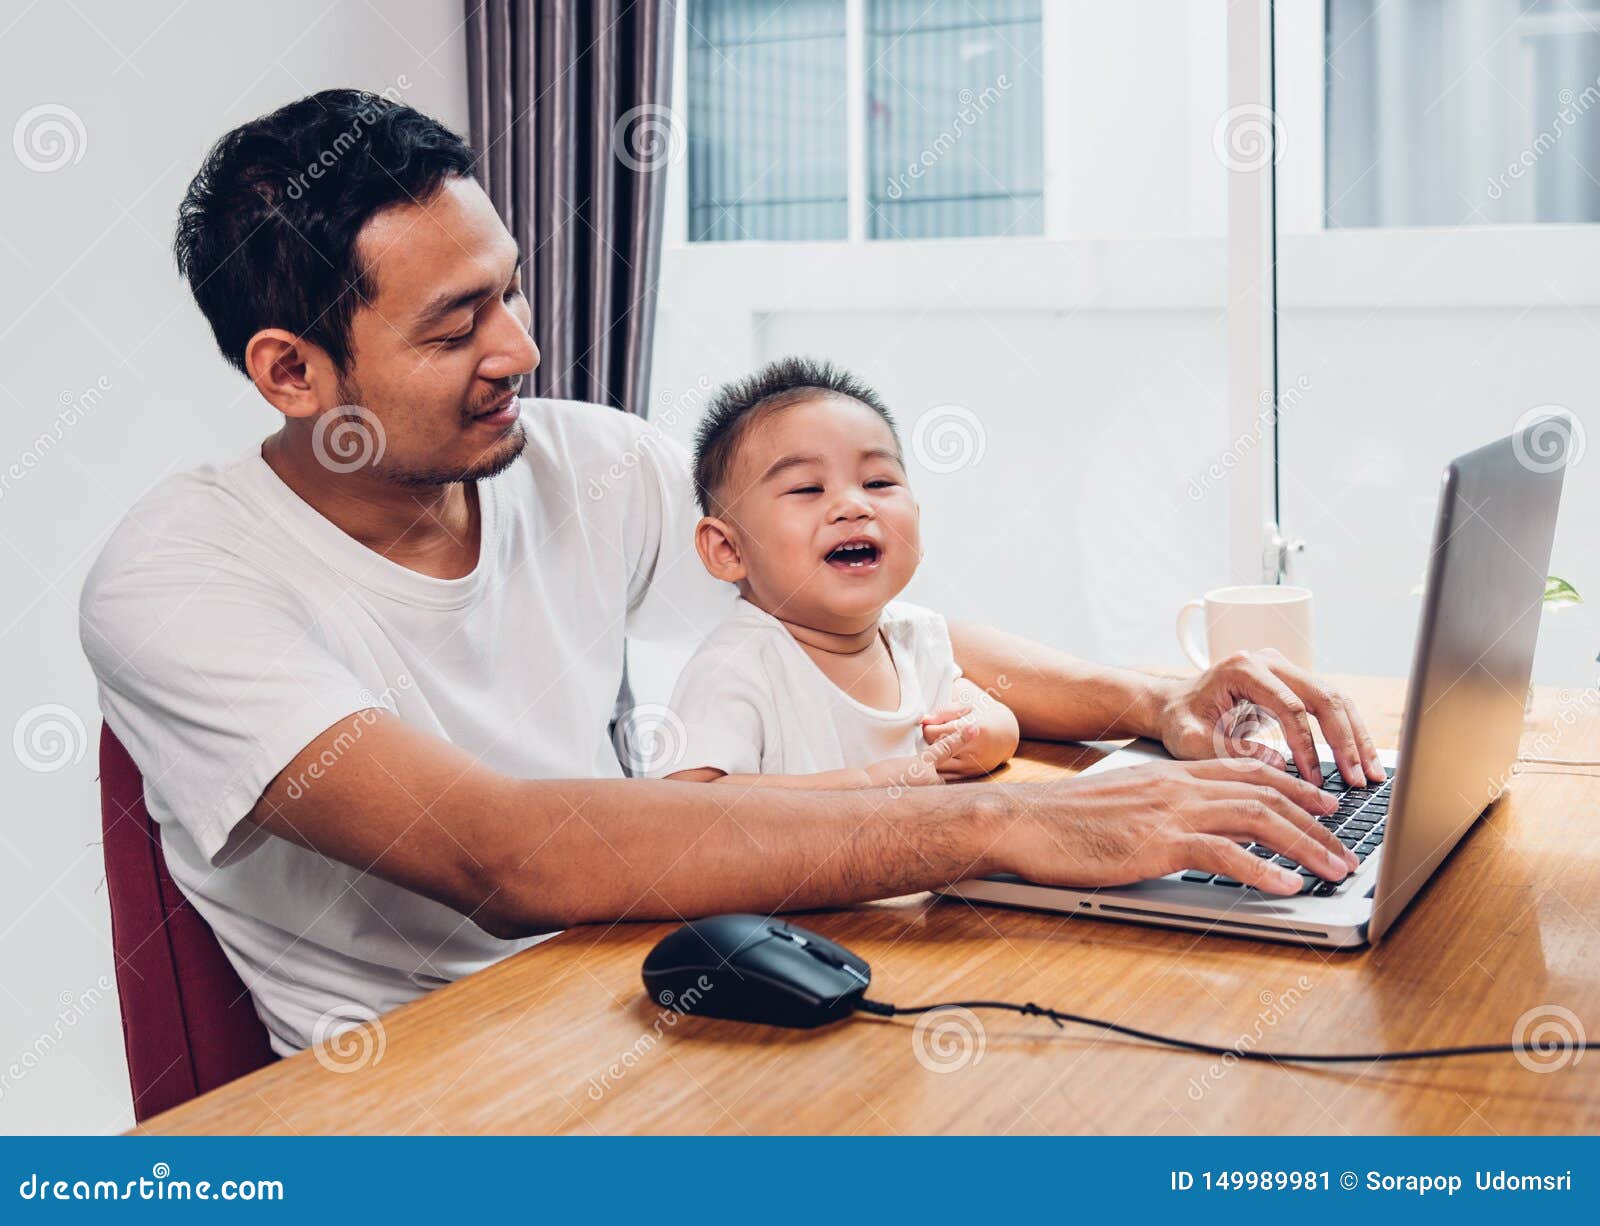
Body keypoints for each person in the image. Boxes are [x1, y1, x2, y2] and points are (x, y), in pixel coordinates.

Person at [80, 89, 1376, 1056]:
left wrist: (1155, 705)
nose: (522, 350)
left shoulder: (578, 462)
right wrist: (1008, 820)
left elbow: (852, 609)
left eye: (513, 295)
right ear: (292, 371)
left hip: (643, 996)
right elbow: (495, 850)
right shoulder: (180, 579)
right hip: (431, 1086)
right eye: (455, 326)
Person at [661, 357, 1019, 789]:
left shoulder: (913, 636)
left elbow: (984, 711)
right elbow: (693, 805)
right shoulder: (736, 668)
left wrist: (987, 736)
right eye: (808, 488)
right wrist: (863, 784)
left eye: (878, 483)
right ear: (727, 549)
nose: (855, 506)